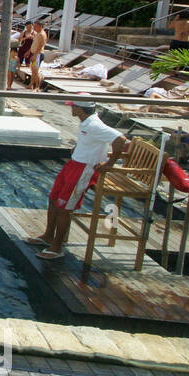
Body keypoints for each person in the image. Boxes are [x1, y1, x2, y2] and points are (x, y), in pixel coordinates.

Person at [28, 102, 128, 260]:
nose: (71, 109)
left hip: (84, 169)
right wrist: (78, 146)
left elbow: (120, 140)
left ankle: (57, 247)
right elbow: (93, 141)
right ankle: (48, 235)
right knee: (54, 198)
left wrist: (109, 164)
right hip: (73, 164)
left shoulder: (94, 125)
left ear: (79, 109)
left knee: (65, 207)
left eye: (73, 106)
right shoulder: (86, 122)